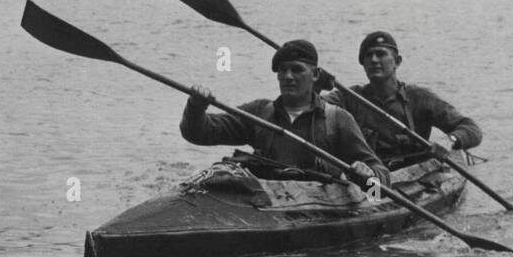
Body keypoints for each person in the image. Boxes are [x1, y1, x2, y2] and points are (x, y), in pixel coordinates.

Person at [182, 39, 390, 188]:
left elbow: (381, 178)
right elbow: (199, 134)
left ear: (315, 74)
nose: (288, 77)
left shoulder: (337, 120)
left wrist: (368, 175)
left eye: (297, 69)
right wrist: (196, 105)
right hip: (267, 206)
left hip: (319, 209)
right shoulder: (260, 113)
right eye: (282, 70)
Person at [330, 31, 482, 163]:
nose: (374, 60)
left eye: (381, 54)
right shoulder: (349, 97)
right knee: (373, 195)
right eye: (368, 56)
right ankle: (373, 197)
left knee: (377, 196)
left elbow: (472, 129)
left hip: (416, 180)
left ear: (397, 61)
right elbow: (313, 105)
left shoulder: (420, 98)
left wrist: (450, 140)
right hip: (373, 180)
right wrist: (315, 84)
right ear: (363, 64)